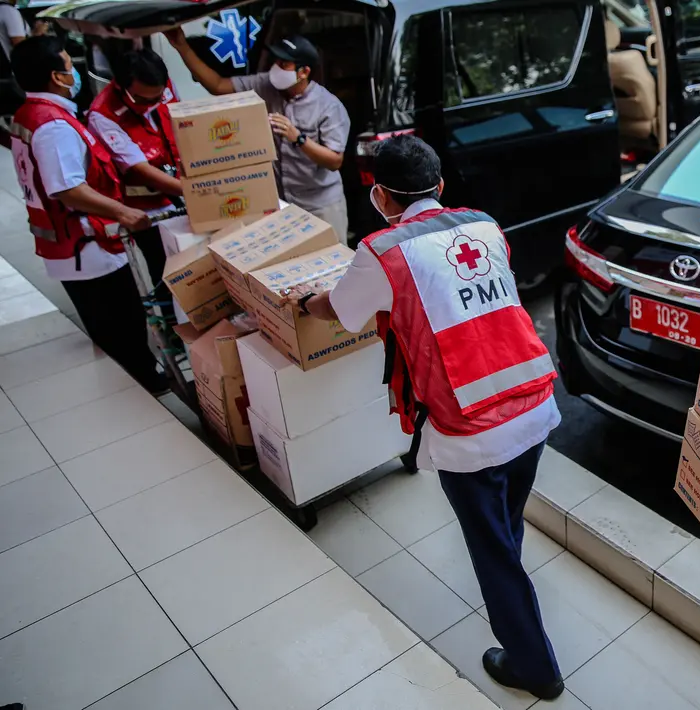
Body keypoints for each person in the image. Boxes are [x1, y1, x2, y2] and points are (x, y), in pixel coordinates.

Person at [291, 135, 564, 700]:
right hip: (534, 403)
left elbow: (342, 312)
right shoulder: (485, 226)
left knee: (492, 551)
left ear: (378, 196)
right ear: (439, 187)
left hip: (473, 428)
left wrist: (306, 300)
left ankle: (535, 666)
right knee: (504, 523)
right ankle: (513, 583)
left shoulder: (381, 251)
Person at [9, 36, 165, 393]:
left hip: (67, 243)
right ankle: (142, 383)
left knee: (107, 320)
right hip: (86, 245)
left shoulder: (29, 114)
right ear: (57, 77)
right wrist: (123, 212)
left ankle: (132, 377)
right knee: (121, 319)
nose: (73, 69)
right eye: (67, 64)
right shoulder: (53, 126)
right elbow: (67, 189)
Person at [163, 30, 351, 241]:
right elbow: (217, 85)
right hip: (282, 203)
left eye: (284, 64)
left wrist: (298, 138)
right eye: (276, 61)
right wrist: (181, 46)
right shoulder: (265, 85)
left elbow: (335, 161)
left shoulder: (328, 106)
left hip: (320, 205)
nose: (276, 68)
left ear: (303, 72)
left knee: (333, 265)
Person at [87, 48, 181, 313]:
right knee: (165, 271)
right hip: (147, 208)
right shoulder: (102, 115)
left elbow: (184, 125)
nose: (149, 105)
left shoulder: (161, 88)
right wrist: (197, 190)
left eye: (157, 97)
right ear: (120, 85)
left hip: (181, 190)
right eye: (140, 99)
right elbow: (138, 168)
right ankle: (175, 331)